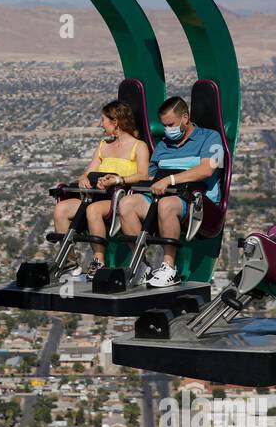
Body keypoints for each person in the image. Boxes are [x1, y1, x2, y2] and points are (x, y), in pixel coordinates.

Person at [115, 95, 224, 287]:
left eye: (171, 124)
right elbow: (151, 176)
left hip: (196, 199)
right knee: (126, 204)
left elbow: (208, 169)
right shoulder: (163, 145)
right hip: (162, 195)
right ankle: (141, 265)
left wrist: (171, 179)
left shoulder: (210, 137)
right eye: (165, 125)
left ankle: (169, 267)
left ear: (185, 118)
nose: (168, 130)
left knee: (166, 205)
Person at [52, 100, 149, 277]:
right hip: (96, 194)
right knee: (61, 209)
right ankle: (70, 262)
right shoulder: (104, 145)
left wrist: (118, 179)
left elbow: (143, 175)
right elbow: (88, 172)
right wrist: (83, 180)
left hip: (118, 196)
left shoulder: (138, 146)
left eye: (103, 120)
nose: (101, 125)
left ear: (115, 122)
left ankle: (99, 260)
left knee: (93, 210)